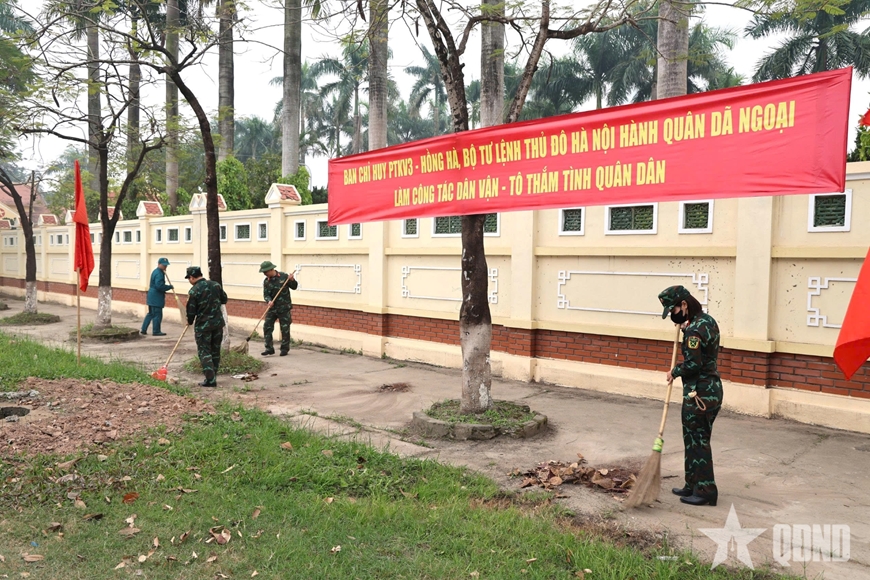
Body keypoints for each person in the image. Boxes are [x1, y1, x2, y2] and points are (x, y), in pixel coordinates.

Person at [658, 285, 723, 507]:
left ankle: (706, 490)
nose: (673, 316)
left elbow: (694, 364)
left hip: (701, 393)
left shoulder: (694, 330)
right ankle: (692, 483)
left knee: (698, 441)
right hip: (709, 390)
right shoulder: (707, 321)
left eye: (673, 310)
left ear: (684, 305)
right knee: (692, 439)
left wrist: (674, 371)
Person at [185, 266, 228, 387]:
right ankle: (214, 375)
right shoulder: (215, 285)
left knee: (205, 352)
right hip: (218, 324)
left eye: (189, 278)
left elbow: (191, 311)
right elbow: (224, 299)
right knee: (215, 351)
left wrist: (189, 321)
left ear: (192, 277)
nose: (189, 280)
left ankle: (210, 380)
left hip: (203, 326)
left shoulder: (194, 291)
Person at [258, 260, 298, 356]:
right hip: (272, 308)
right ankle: (269, 348)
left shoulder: (284, 277)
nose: (264, 274)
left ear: (271, 269)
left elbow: (294, 287)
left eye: (265, 272)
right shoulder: (266, 281)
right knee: (267, 327)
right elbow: (266, 294)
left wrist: (292, 280)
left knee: (284, 328)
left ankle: (284, 349)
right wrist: (269, 301)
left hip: (284, 308)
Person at [141, 257, 173, 336]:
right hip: (156, 297)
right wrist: (169, 287)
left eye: (166, 265)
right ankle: (156, 331)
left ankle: (143, 329)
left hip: (152, 296)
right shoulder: (159, 273)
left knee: (151, 313)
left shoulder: (156, 271)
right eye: (164, 265)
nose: (165, 267)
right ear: (159, 264)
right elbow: (159, 286)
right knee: (157, 315)